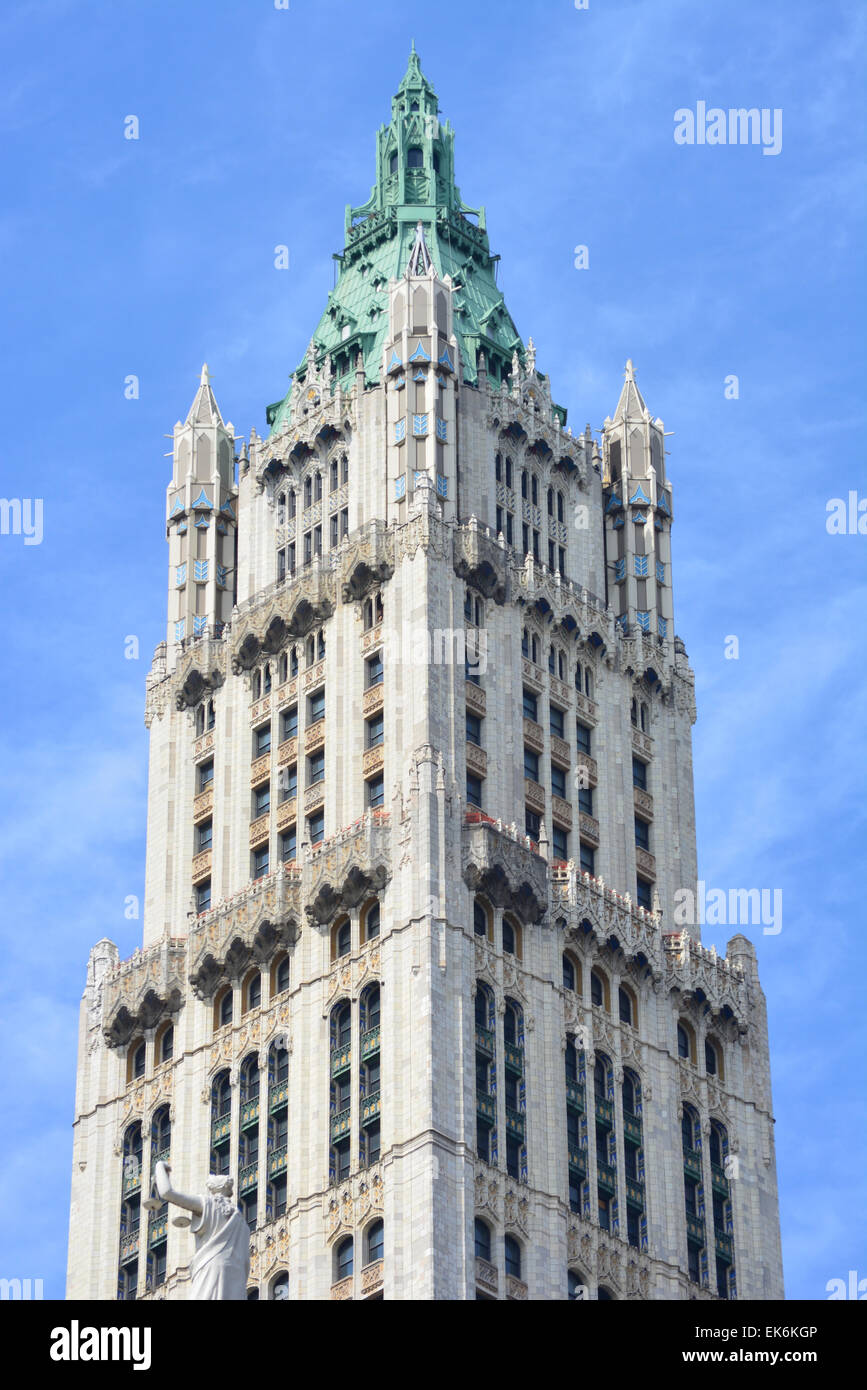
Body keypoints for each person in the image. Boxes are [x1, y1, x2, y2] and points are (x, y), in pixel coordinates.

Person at [153, 1161, 250, 1300]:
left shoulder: (207, 1204)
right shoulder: (241, 1221)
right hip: (236, 1275)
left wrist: (159, 1168)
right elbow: (246, 1261)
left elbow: (167, 1192)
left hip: (210, 1268)